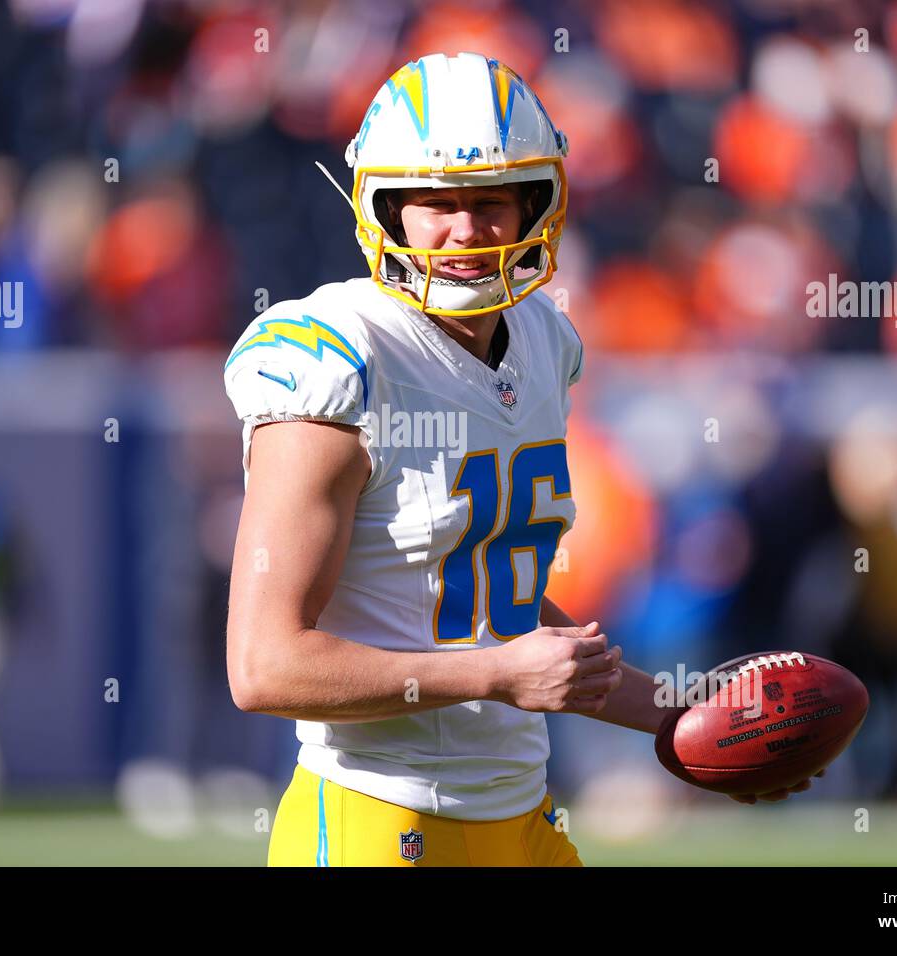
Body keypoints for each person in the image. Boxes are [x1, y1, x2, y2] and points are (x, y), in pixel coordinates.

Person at [223, 52, 816, 867]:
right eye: (435, 203)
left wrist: (680, 719)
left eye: (491, 201)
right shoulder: (337, 360)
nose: (465, 231)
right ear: (384, 208)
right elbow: (265, 666)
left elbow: (489, 601)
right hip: (378, 822)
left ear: (538, 203)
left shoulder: (543, 341)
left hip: (523, 814)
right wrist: (493, 677)